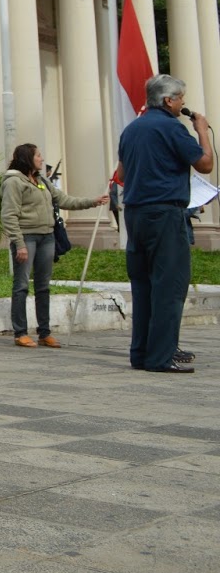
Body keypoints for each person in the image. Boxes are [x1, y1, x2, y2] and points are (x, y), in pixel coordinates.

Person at [116, 74, 214, 373]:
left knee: (144, 284)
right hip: (165, 214)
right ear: (168, 100)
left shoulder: (131, 130)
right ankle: (161, 357)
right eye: (181, 97)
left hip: (135, 214)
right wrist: (202, 131)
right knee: (169, 286)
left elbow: (120, 174)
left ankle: (142, 353)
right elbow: (205, 164)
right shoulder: (172, 127)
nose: (183, 102)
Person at [0, 143, 108, 348]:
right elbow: (8, 215)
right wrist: (19, 243)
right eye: (38, 155)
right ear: (27, 158)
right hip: (27, 238)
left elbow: (64, 200)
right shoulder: (13, 182)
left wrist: (92, 202)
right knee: (21, 285)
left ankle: (44, 332)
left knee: (43, 286)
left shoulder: (42, 181)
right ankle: (20, 332)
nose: (42, 159)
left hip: (47, 237)